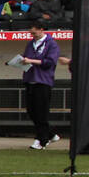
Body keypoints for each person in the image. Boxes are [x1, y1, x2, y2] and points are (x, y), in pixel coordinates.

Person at [20, 21, 61, 149]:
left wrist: (31, 61)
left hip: (43, 81)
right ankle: (51, 134)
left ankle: (41, 140)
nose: (32, 35)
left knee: (41, 112)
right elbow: (27, 57)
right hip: (30, 79)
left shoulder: (52, 44)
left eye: (34, 32)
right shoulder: (30, 44)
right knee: (31, 111)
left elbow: (50, 62)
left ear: (41, 29)